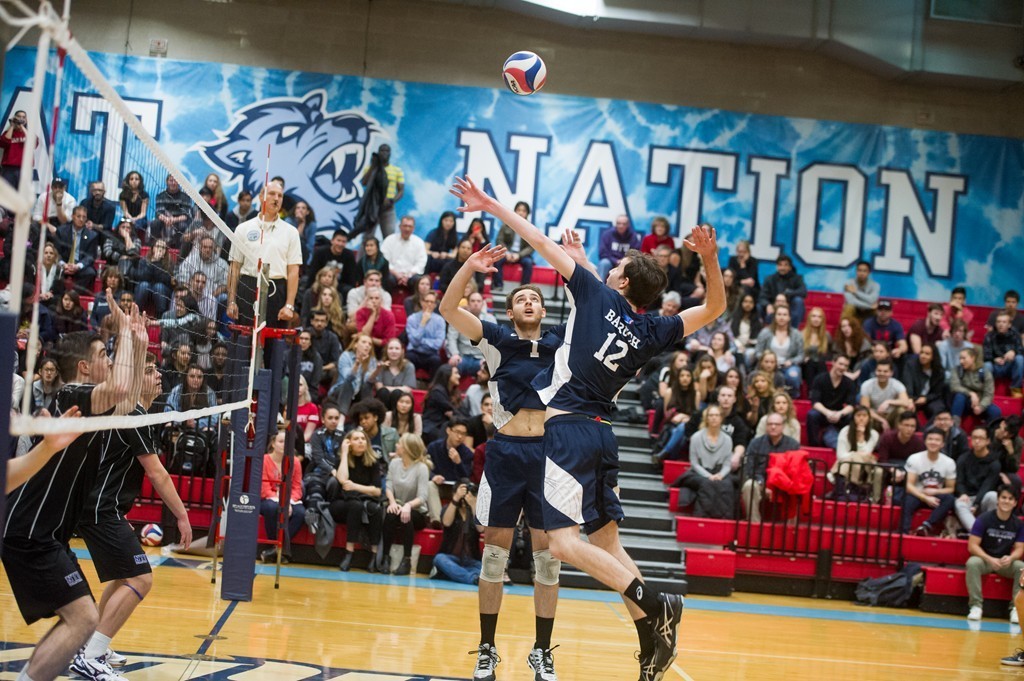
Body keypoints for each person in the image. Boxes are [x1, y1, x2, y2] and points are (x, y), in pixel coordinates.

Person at [451, 176, 723, 680]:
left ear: (618, 282)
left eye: (614, 268)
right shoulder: (652, 328)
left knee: (561, 545)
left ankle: (655, 600)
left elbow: (535, 238)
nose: (609, 270)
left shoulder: (594, 293)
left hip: (568, 432)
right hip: (603, 435)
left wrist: (489, 204)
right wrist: (709, 258)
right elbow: (713, 308)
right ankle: (651, 643)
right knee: (610, 546)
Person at [440, 243, 573, 678]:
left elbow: (591, 305)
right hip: (506, 453)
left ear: (542, 308)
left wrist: (572, 263)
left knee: (547, 559)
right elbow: (447, 307)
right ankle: (486, 648)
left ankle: (542, 652)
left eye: (534, 297)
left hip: (549, 454)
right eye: (521, 298)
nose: (529, 301)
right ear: (511, 311)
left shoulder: (559, 342)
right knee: (494, 556)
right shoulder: (496, 339)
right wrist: (469, 266)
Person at [2, 297, 140, 681]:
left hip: (43, 532)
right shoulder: (74, 396)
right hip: (29, 532)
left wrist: (138, 340)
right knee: (83, 618)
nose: (110, 361)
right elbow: (122, 385)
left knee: (79, 619)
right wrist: (125, 332)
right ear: (84, 366)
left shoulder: (89, 404)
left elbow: (129, 398)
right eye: (103, 355)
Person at [73, 353, 193, 676]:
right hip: (101, 509)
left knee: (124, 575)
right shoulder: (133, 412)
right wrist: (182, 516)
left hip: (100, 507)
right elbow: (157, 474)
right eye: (150, 370)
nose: (158, 375)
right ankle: (92, 656)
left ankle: (90, 646)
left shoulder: (129, 410)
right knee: (141, 578)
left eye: (157, 370)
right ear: (135, 377)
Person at [226, 180, 302, 330]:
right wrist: (231, 301)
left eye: (280, 195)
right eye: (272, 194)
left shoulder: (291, 232)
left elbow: (293, 271)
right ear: (261, 197)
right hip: (248, 287)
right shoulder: (243, 229)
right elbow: (234, 267)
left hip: (276, 290)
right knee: (245, 342)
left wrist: (289, 305)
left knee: (272, 346)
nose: (276, 198)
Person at [966, 485, 1024, 624]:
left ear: (1015, 503)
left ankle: (1016, 609)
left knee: (1021, 567)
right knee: (972, 563)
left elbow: (1020, 549)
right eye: (1003, 497)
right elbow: (972, 546)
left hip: (1004, 562)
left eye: (1010, 499)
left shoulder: (1018, 524)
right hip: (985, 560)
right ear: (998, 500)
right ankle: (976, 606)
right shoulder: (984, 519)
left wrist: (1011, 557)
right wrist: (989, 558)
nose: (1006, 501)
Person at [335, 428, 384, 572]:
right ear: (349, 443)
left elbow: (377, 491)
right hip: (341, 502)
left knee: (376, 509)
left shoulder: (373, 462)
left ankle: (374, 556)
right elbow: (343, 480)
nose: (361, 441)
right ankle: (349, 553)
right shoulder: (342, 460)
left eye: (363, 439)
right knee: (355, 506)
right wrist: (344, 454)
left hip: (364, 500)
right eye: (356, 439)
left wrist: (356, 486)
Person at [671, 405, 734, 518]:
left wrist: (720, 475)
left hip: (719, 472)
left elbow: (727, 464)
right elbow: (694, 463)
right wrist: (708, 475)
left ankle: (725, 518)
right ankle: (701, 516)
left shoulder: (728, 440)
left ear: (721, 418)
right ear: (706, 418)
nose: (714, 418)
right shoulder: (696, 437)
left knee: (726, 485)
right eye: (711, 415)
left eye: (716, 415)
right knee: (707, 484)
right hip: (698, 472)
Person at [382, 433, 430, 576]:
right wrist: (391, 502)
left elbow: (422, 496)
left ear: (407, 448)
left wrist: (408, 505)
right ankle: (385, 557)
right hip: (397, 505)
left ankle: (406, 560)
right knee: (390, 515)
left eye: (399, 443)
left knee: (406, 517)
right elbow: (388, 484)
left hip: (417, 511)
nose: (396, 445)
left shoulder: (421, 468)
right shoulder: (394, 463)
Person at [741, 413, 801, 523]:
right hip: (761, 482)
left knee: (796, 489)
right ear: (766, 426)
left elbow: (795, 470)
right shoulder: (756, 443)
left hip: (784, 484)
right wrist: (763, 483)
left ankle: (790, 530)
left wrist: (776, 484)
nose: (773, 427)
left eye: (777, 424)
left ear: (783, 426)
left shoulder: (793, 445)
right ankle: (754, 523)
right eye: (770, 424)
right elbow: (750, 467)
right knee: (749, 485)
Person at [259, 429, 306, 563]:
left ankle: (275, 549)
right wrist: (282, 503)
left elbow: (297, 487)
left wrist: (288, 502)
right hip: (267, 498)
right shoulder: (264, 460)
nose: (284, 445)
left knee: (300, 513)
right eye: (281, 441)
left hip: (289, 500)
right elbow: (264, 488)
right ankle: (275, 547)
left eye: (288, 442)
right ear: (273, 443)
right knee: (272, 508)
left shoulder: (295, 462)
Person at [902, 427, 957, 535]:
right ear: (925, 441)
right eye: (930, 439)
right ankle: (904, 532)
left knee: (950, 499)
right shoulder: (914, 458)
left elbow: (951, 488)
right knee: (907, 499)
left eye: (937, 440)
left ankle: (926, 525)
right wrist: (925, 497)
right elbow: (908, 485)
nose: (933, 442)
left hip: (936, 496)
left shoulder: (949, 462)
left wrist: (935, 492)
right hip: (918, 494)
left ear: (942, 444)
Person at [431, 480, 483, 585]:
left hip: (471, 560)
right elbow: (446, 522)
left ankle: (457, 575)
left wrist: (474, 505)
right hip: (450, 557)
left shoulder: (474, 512)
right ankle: (472, 578)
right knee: (439, 559)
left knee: (486, 568)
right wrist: (456, 499)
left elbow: (481, 529)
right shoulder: (449, 508)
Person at [953, 427, 1001, 533]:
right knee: (959, 503)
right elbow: (959, 480)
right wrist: (962, 493)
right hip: (967, 497)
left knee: (993, 495)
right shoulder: (963, 458)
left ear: (988, 441)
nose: (977, 441)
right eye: (974, 438)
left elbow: (987, 485)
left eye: (981, 438)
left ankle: (990, 528)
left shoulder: (994, 463)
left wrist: (976, 504)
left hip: (982, 498)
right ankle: (977, 532)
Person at [829, 405, 881, 500]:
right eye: (858, 415)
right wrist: (854, 455)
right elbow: (840, 455)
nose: (861, 418)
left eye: (864, 416)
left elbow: (866, 454)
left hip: (865, 466)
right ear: (853, 417)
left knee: (854, 461)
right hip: (846, 463)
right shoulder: (845, 431)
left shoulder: (874, 434)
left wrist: (861, 437)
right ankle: (846, 492)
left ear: (869, 418)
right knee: (851, 460)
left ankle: (840, 492)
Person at [753, 304, 803, 397]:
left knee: (794, 375)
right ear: (774, 316)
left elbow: (801, 355)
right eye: (779, 314)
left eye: (784, 315)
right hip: (768, 364)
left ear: (789, 317)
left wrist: (791, 361)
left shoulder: (796, 334)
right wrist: (766, 360)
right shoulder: (765, 332)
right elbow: (758, 351)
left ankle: (792, 399)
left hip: (787, 366)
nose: (782, 317)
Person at [806, 355, 856, 448]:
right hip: (823, 413)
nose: (842, 367)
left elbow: (851, 405)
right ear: (833, 362)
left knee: (851, 415)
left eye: (845, 366)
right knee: (812, 415)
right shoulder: (820, 379)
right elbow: (815, 402)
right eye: (840, 364)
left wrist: (840, 414)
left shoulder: (849, 383)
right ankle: (814, 446)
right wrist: (827, 413)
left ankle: (848, 444)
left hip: (839, 414)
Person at [446, 291, 496, 375]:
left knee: (491, 370)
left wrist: (487, 359)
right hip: (462, 356)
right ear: (468, 304)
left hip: (481, 358)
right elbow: (451, 338)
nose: (475, 303)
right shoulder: (458, 318)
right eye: (473, 301)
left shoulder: (490, 319)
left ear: (483, 304)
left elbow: (494, 342)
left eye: (478, 301)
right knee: (449, 369)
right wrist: (454, 354)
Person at [361, 142, 404, 238]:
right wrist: (373, 166)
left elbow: (401, 191)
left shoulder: (397, 170)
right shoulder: (370, 168)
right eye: (382, 150)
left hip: (388, 207)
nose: (384, 153)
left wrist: (392, 201)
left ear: (390, 154)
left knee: (390, 237)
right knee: (367, 237)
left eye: (387, 151)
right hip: (372, 207)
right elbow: (364, 182)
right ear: (378, 152)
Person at [328, 333, 377, 416]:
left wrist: (378, 370)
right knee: (349, 384)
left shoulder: (372, 360)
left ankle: (366, 416)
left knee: (367, 386)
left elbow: (368, 380)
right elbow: (348, 377)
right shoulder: (346, 356)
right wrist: (357, 364)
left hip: (358, 392)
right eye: (364, 342)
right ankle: (341, 417)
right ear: (355, 345)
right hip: (341, 390)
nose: (367, 345)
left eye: (370, 344)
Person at [56, 205, 101, 294]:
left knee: (90, 272)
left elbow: (91, 256)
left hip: (80, 265)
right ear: (73, 217)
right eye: (78, 216)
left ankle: (73, 295)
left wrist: (78, 266)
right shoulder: (61, 231)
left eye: (84, 217)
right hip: (64, 263)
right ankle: (59, 295)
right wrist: (63, 264)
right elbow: (56, 251)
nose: (81, 219)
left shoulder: (92, 235)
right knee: (56, 270)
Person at [492, 201, 536, 291]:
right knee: (497, 260)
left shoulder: (530, 228)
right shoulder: (506, 224)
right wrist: (506, 252)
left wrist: (519, 255)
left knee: (528, 263)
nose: (520, 212)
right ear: (515, 211)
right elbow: (499, 240)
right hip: (507, 252)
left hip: (521, 255)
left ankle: (524, 288)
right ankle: (498, 285)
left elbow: (531, 246)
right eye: (518, 210)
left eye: (523, 211)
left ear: (527, 214)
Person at [951, 347, 1001, 426]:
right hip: (964, 403)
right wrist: (971, 393)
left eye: (964, 358)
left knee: (995, 411)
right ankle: (954, 427)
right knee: (959, 396)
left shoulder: (984, 372)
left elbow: (989, 394)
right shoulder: (957, 370)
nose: (961, 361)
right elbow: (954, 386)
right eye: (960, 358)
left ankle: (985, 432)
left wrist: (981, 406)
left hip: (980, 402)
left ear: (972, 358)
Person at [860, 359, 914, 431]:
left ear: (891, 373)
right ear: (875, 371)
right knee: (864, 415)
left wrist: (888, 402)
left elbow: (906, 402)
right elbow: (865, 408)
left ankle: (898, 436)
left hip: (891, 415)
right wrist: (881, 420)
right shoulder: (867, 385)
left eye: (885, 371)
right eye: (879, 371)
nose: (882, 373)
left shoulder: (897, 384)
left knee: (902, 410)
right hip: (875, 416)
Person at [405, 290, 447, 376]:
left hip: (431, 354)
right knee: (408, 358)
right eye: (426, 301)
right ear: (421, 302)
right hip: (414, 352)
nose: (429, 304)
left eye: (432, 302)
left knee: (436, 360)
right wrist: (423, 323)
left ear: (435, 305)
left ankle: (432, 388)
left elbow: (438, 344)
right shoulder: (412, 319)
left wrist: (422, 341)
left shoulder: (440, 321)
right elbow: (414, 342)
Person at [757, 254, 807, 327]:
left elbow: (803, 292)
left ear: (790, 267)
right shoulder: (769, 279)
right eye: (780, 265)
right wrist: (767, 304)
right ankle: (759, 331)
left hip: (789, 308)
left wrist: (788, 293)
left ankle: (793, 330)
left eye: (785, 265)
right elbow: (762, 297)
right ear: (777, 267)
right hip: (773, 308)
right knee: (759, 306)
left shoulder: (797, 278)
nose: (782, 268)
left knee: (798, 301)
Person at [306, 229, 359, 297]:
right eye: (338, 240)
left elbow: (352, 278)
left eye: (343, 242)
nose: (340, 244)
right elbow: (313, 273)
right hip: (321, 283)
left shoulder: (349, 255)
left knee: (350, 290)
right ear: (332, 241)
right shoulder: (320, 252)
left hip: (339, 285)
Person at [380, 215, 427, 290]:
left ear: (413, 228)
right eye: (405, 226)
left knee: (419, 281)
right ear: (400, 226)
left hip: (411, 275)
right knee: (387, 279)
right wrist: (396, 274)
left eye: (410, 226)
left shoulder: (419, 242)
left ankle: (414, 301)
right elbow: (384, 260)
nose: (407, 229)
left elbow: (421, 262)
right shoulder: (389, 240)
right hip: (393, 273)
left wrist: (408, 275)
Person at [902, 344, 947, 420]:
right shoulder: (911, 365)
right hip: (913, 397)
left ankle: (928, 430)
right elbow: (908, 384)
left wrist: (926, 398)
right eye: (921, 352)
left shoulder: (939, 371)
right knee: (907, 410)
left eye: (927, 354)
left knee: (939, 409)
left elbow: (937, 392)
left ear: (933, 356)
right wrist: (911, 399)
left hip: (929, 399)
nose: (923, 356)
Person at [984, 312, 1024, 398]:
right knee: (987, 365)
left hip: (1009, 366)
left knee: (1020, 359)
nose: (1001, 324)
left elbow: (1021, 350)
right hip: (995, 367)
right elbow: (985, 355)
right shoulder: (989, 336)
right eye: (998, 322)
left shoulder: (1015, 335)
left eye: (1004, 322)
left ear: (1009, 324)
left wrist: (1014, 352)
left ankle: (1015, 388)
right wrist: (994, 359)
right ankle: (987, 390)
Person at [131, 238, 174, 317]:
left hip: (162, 291)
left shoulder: (169, 263)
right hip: (145, 289)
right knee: (144, 285)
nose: (160, 249)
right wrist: (153, 262)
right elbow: (142, 277)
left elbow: (165, 279)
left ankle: (160, 316)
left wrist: (157, 262)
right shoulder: (143, 261)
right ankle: (137, 313)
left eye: (163, 248)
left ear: (166, 251)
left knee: (159, 286)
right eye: (158, 246)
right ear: (153, 248)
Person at [152, 174, 196, 247]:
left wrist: (173, 220)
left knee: (183, 226)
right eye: (171, 180)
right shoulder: (160, 195)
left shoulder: (185, 197)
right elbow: (159, 213)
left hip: (179, 220)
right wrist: (166, 219)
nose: (173, 183)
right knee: (154, 224)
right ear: (167, 182)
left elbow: (186, 215)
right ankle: (154, 245)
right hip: (164, 219)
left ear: (179, 182)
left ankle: (179, 249)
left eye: (175, 180)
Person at [372, 337, 417, 404]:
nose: (394, 351)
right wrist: (398, 388)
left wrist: (387, 388)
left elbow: (407, 389)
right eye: (391, 348)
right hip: (383, 399)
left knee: (397, 393)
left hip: (402, 401)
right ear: (386, 350)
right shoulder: (380, 366)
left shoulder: (409, 366)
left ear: (402, 351)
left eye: (397, 348)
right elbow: (379, 388)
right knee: (383, 392)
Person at [597, 214, 642, 281]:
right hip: (610, 261)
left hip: (626, 262)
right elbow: (603, 253)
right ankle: (599, 285)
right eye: (619, 223)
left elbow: (635, 253)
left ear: (628, 225)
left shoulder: (633, 236)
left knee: (635, 265)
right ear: (616, 224)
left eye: (624, 224)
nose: (621, 226)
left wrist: (624, 260)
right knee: (604, 263)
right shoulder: (607, 234)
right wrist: (615, 261)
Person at [863, 300, 908, 365]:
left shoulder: (896, 325)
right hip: (872, 353)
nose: (883, 312)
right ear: (876, 311)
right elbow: (865, 342)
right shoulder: (868, 323)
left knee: (903, 357)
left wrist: (899, 350)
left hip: (890, 354)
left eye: (886, 310)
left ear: (891, 312)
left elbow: (903, 345)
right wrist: (878, 352)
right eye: (880, 310)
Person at [354, 286, 396, 351]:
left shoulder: (389, 315)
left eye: (377, 298)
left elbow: (388, 341)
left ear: (381, 300)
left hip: (382, 348)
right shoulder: (360, 313)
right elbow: (364, 335)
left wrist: (370, 339)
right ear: (366, 300)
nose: (373, 301)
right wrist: (373, 314)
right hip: (365, 346)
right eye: (371, 298)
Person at [833, 316, 872, 381]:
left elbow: (867, 363)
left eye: (849, 326)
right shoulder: (838, 344)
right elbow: (835, 361)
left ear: (855, 328)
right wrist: (845, 373)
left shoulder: (865, 344)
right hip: (842, 374)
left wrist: (854, 375)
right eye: (843, 326)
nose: (846, 329)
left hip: (861, 375)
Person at [425, 211, 460, 276]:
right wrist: (432, 253)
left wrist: (447, 255)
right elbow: (425, 250)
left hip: (445, 261)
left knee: (452, 262)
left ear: (454, 223)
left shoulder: (455, 236)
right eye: (446, 220)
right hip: (433, 259)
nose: (448, 223)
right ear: (441, 221)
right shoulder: (433, 233)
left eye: (451, 221)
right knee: (428, 258)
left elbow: (455, 254)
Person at [0, 108, 29, 186]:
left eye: (23, 117)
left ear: (26, 120)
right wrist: (12, 125)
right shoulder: (7, 133)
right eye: (19, 117)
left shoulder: (28, 133)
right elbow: (4, 142)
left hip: (24, 169)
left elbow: (33, 143)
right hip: (8, 169)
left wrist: (22, 126)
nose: (21, 119)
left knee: (21, 194)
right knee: (6, 193)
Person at [117, 170, 148, 240]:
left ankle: (134, 243)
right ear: (128, 181)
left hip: (140, 218)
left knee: (136, 225)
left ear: (140, 181)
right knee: (120, 225)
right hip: (128, 217)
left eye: (136, 179)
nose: (134, 181)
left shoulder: (144, 195)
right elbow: (125, 212)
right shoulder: (123, 195)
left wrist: (135, 219)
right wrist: (130, 219)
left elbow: (143, 213)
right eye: (131, 179)